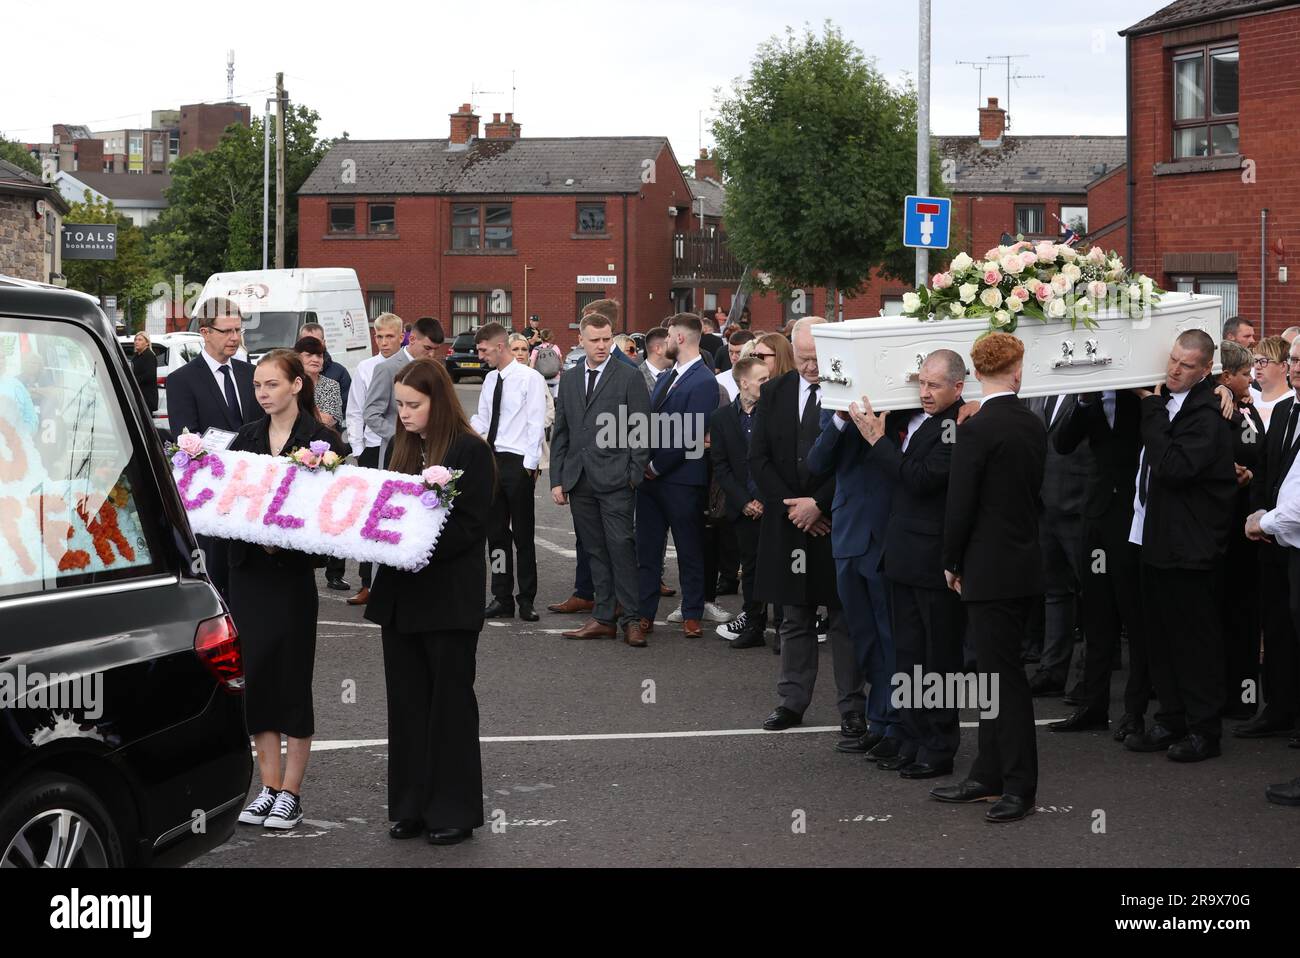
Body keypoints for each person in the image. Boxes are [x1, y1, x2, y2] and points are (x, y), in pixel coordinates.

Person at [365, 358, 494, 846]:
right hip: (400, 602)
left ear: (438, 402)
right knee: (407, 706)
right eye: (399, 405)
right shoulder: (401, 447)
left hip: (447, 601)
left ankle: (453, 810)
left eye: (413, 405)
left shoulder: (471, 450)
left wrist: (410, 543)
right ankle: (411, 806)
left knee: (450, 707)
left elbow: (468, 528)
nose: (404, 414)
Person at [931, 332, 1046, 823]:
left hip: (988, 567)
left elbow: (961, 505)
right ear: (1017, 371)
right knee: (996, 676)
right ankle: (988, 774)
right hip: (1023, 563)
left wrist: (951, 561)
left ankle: (1018, 786)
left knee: (1003, 681)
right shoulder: (1033, 424)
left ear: (976, 374)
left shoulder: (976, 430)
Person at [231, 349, 348, 832]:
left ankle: (292, 794)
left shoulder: (321, 441)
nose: (263, 393)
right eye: (258, 385)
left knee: (293, 678)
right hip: (249, 576)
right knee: (256, 678)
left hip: (293, 577)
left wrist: (291, 544)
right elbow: (229, 504)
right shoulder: (246, 437)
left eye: (272, 384)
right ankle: (268, 788)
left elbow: (333, 518)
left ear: (297, 385)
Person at [851, 350, 967, 778]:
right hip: (901, 558)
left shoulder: (955, 427)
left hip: (934, 564)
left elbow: (921, 478)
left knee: (939, 660)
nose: (925, 393)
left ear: (958, 387)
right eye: (921, 383)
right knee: (909, 657)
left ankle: (939, 748)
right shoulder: (915, 420)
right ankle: (914, 736)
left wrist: (879, 443)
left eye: (935, 385)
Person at [1124, 330, 1236, 762]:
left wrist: (1151, 411)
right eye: (1173, 360)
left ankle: (1204, 731)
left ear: (1207, 370)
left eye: (1186, 365)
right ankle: (1170, 719)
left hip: (1191, 549)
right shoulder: (1175, 402)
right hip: (1158, 540)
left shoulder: (1206, 415)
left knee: (1194, 643)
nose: (1174, 369)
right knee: (1161, 640)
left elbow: (1171, 467)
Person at [750, 317, 859, 733]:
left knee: (843, 618)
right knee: (792, 618)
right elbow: (758, 458)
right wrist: (793, 509)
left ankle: (853, 707)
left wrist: (820, 505)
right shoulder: (774, 391)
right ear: (790, 352)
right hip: (787, 523)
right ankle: (791, 701)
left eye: (818, 358)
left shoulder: (848, 390)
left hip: (835, 522)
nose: (811, 367)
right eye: (803, 358)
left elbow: (855, 461)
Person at [807, 339, 903, 755]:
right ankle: (878, 720)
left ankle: (895, 724)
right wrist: (843, 419)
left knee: (891, 637)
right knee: (864, 637)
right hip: (848, 537)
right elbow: (816, 463)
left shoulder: (903, 408)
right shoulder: (837, 411)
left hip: (887, 538)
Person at [1049, 387, 1149, 739]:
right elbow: (1061, 442)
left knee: (1134, 617)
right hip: (1096, 517)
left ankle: (1135, 712)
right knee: (1096, 614)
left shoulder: (1140, 393)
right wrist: (1084, 402)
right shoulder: (1088, 400)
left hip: (1133, 517)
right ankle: (1093, 705)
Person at [550, 310, 652, 646]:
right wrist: (558, 479)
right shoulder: (570, 376)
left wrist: (634, 475)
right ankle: (604, 617)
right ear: (580, 340)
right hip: (580, 480)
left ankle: (633, 620)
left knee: (621, 547)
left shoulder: (629, 376)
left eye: (607, 339)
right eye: (595, 340)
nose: (602, 346)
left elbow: (641, 429)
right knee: (594, 550)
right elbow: (561, 430)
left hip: (617, 480)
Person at [636, 314, 724, 639]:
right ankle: (644, 612)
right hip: (650, 481)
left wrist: (656, 466)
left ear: (681, 339)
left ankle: (692, 614)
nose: (665, 342)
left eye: (669, 336)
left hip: (682, 480)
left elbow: (691, 433)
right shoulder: (667, 376)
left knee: (689, 549)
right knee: (647, 550)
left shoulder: (703, 381)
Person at [166, 296, 261, 598]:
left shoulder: (250, 374)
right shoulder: (182, 379)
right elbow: (184, 435)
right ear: (205, 333)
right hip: (212, 490)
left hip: (251, 489)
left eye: (238, 330)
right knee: (217, 574)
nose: (235, 338)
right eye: (227, 331)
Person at [1240, 336, 1300, 744]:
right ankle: (1277, 708)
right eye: (1294, 360)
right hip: (1273, 537)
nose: (1295, 367)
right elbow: (1265, 469)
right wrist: (1260, 518)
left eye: (1295, 360)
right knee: (1275, 625)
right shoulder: (1282, 413)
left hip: (1291, 532)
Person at [473, 323, 547, 622]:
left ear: (499, 346)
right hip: (492, 460)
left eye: (483, 350)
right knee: (496, 535)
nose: (480, 356)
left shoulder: (531, 378)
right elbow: (484, 418)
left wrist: (529, 466)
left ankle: (526, 599)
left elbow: (535, 421)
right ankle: (502, 597)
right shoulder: (491, 379)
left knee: (524, 536)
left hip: (518, 462)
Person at [1024, 392, 1094, 697]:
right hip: (1042, 501)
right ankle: (1052, 670)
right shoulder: (1041, 387)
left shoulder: (1089, 384)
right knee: (1054, 591)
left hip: (1080, 501)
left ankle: (1088, 675)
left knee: (1091, 592)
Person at [344, 312, 405, 607]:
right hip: (371, 448)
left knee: (394, 513)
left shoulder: (409, 366)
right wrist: (357, 449)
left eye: (389, 336)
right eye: (379, 337)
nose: (383, 342)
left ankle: (393, 579)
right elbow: (355, 410)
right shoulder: (366, 368)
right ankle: (367, 582)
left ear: (402, 336)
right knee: (369, 518)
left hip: (401, 449)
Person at [1219, 341, 1266, 720]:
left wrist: (1252, 474)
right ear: (1224, 376)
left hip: (1248, 528)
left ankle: (1245, 698)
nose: (1251, 379)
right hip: (1222, 529)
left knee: (1244, 615)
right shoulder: (1220, 407)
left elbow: (1260, 456)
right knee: (1225, 613)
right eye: (1244, 374)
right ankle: (1227, 695)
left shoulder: (1248, 409)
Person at [712, 356, 769, 647]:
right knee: (750, 568)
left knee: (778, 566)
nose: (767, 384)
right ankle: (754, 624)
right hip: (741, 508)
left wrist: (761, 499)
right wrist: (745, 501)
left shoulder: (774, 414)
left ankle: (784, 627)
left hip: (771, 505)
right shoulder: (722, 418)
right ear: (744, 383)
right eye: (762, 379)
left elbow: (778, 460)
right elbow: (720, 466)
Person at [363, 315, 443, 465]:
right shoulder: (386, 368)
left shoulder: (435, 369)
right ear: (412, 339)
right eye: (427, 348)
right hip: (398, 453)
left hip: (432, 451)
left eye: (435, 349)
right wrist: (399, 437)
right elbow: (371, 413)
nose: (432, 354)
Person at [299, 321, 352, 419]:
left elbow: (345, 411)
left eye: (316, 341)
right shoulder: (289, 378)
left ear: (323, 343)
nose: (312, 346)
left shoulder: (339, 373)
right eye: (307, 342)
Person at [1252, 336, 1292, 429]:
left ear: (1283, 366)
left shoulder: (1292, 402)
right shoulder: (1249, 398)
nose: (1257, 366)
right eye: (1256, 361)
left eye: (1263, 361)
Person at [716, 330, 755, 401]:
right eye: (730, 352)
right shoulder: (719, 380)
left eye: (738, 353)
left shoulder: (763, 380)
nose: (733, 357)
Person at [130, 331, 158, 413]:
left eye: (140, 340)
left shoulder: (149, 355)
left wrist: (133, 381)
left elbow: (150, 375)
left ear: (147, 343)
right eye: (135, 340)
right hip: (138, 395)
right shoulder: (136, 356)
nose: (136, 342)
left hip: (146, 397)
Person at [640, 327, 672, 393]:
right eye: (670, 346)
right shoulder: (634, 377)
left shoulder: (675, 376)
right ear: (658, 349)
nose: (675, 350)